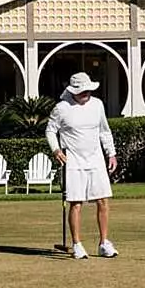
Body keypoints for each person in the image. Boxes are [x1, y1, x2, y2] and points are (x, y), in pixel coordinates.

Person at [45, 71, 118, 259]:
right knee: (76, 203)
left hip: (96, 159)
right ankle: (77, 244)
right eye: (82, 91)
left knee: (103, 201)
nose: (86, 94)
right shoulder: (61, 108)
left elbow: (104, 131)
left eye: (88, 90)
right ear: (72, 91)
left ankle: (104, 243)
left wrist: (111, 153)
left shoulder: (97, 105)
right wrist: (56, 150)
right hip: (74, 161)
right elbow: (50, 131)